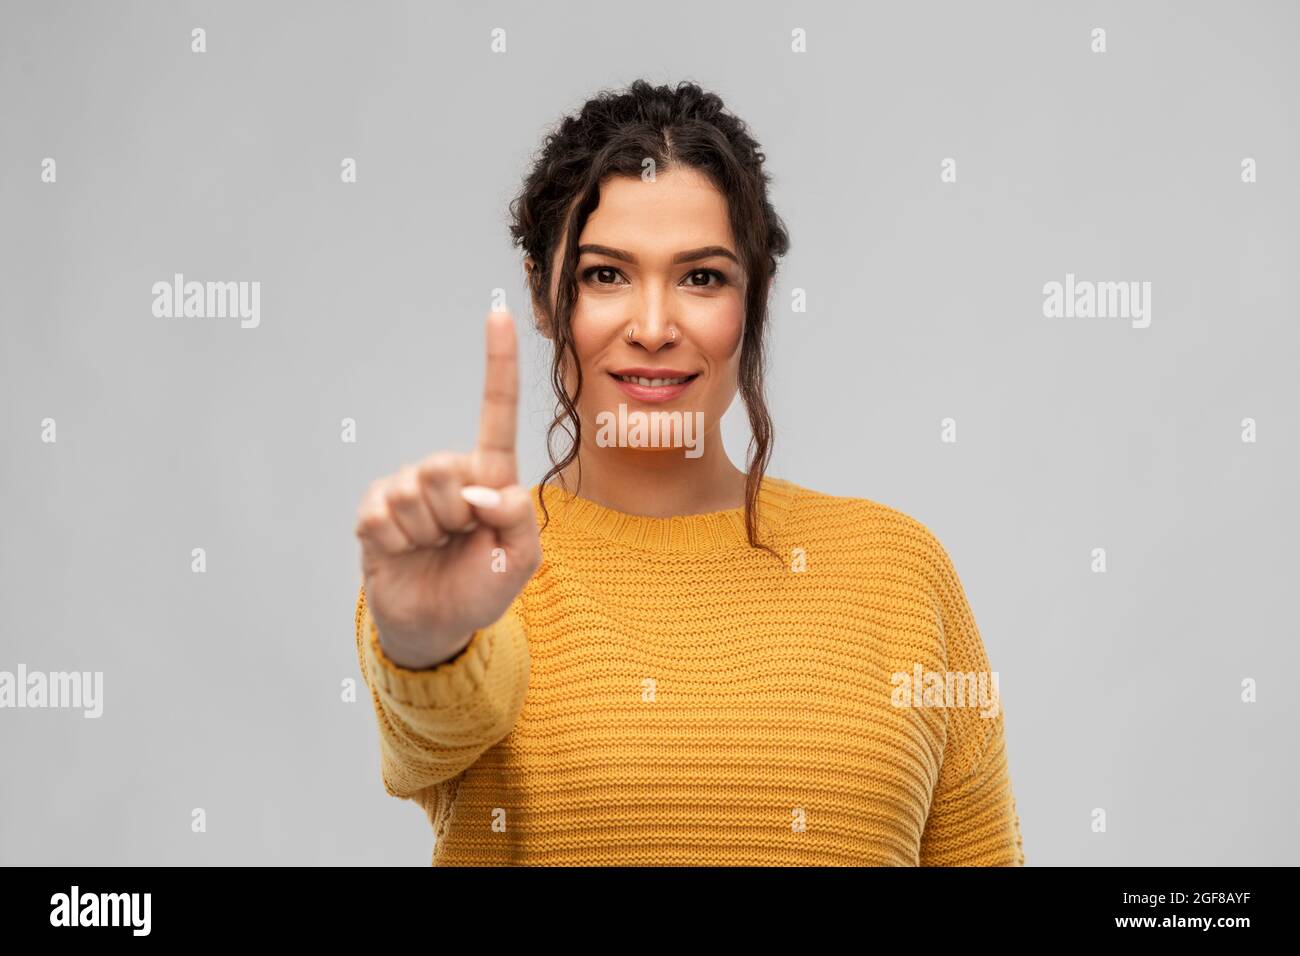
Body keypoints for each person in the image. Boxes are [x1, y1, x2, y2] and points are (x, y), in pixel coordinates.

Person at [353, 79, 1024, 866]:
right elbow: (435, 730)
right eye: (606, 275)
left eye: (702, 277)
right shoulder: (477, 568)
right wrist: (425, 637)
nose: (653, 327)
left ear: (754, 298)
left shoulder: (901, 571)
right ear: (542, 293)